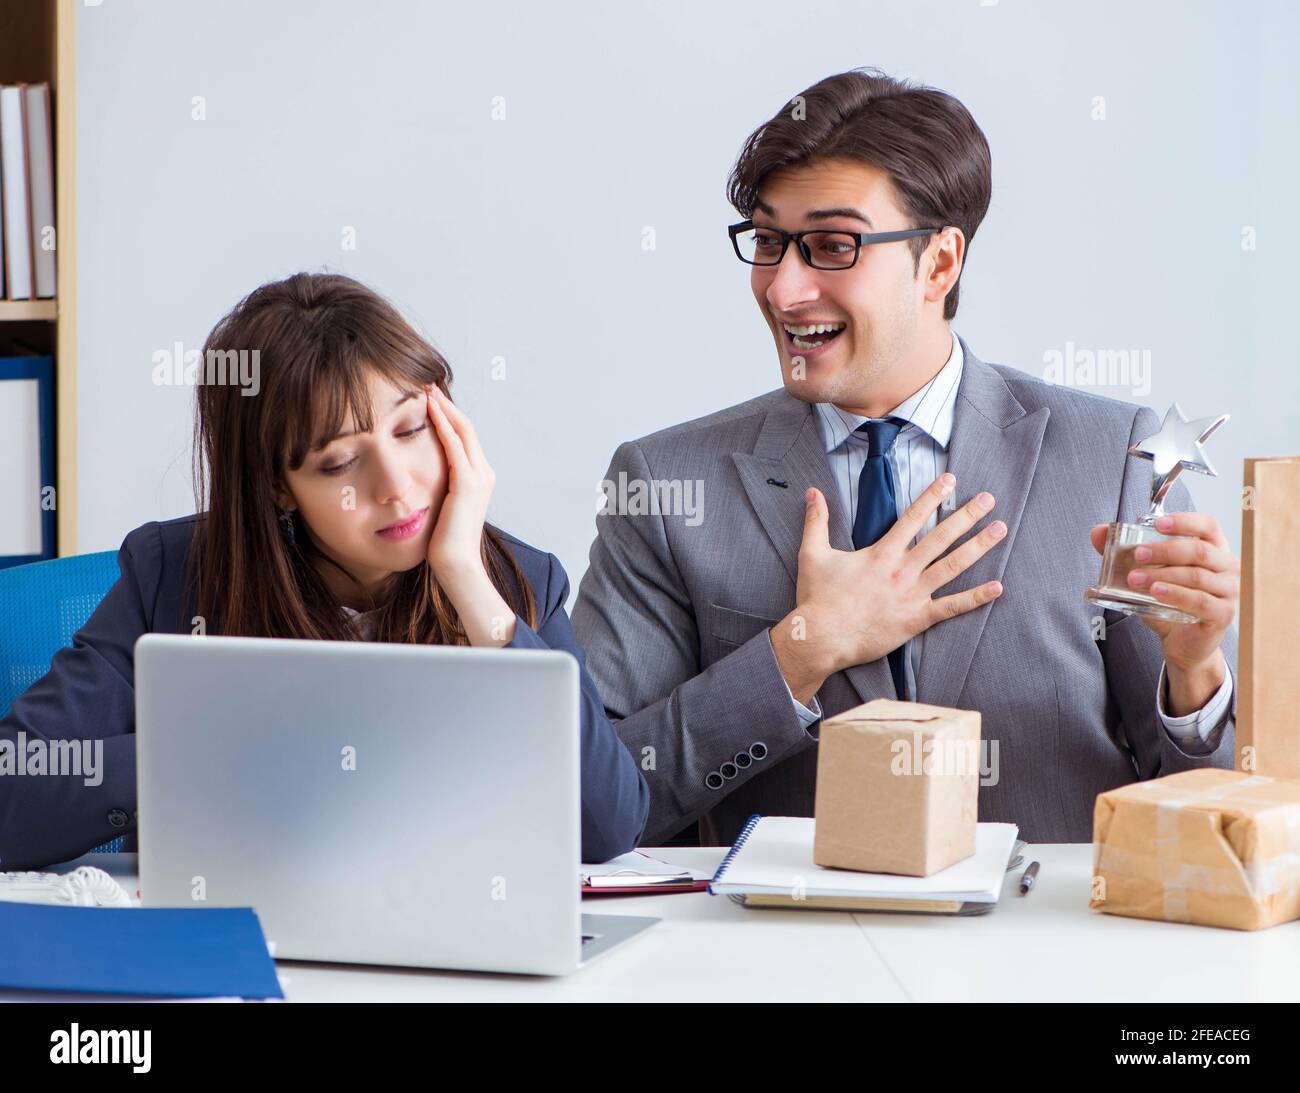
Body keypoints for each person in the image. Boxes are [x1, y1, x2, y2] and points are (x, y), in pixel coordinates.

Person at [571, 69, 1238, 848]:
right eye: (768, 242)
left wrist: (1195, 674)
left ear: (940, 264)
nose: (783, 289)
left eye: (830, 246)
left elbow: (1215, 814)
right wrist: (803, 649)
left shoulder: (1110, 459)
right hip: (776, 962)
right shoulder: (665, 483)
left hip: (1050, 962)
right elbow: (592, 804)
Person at [0, 273, 648, 869]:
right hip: (236, 939)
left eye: (411, 429)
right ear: (278, 488)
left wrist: (468, 582)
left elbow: (607, 825)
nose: (397, 488)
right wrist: (208, 754)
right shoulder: (172, 574)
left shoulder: (513, 582)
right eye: (339, 463)